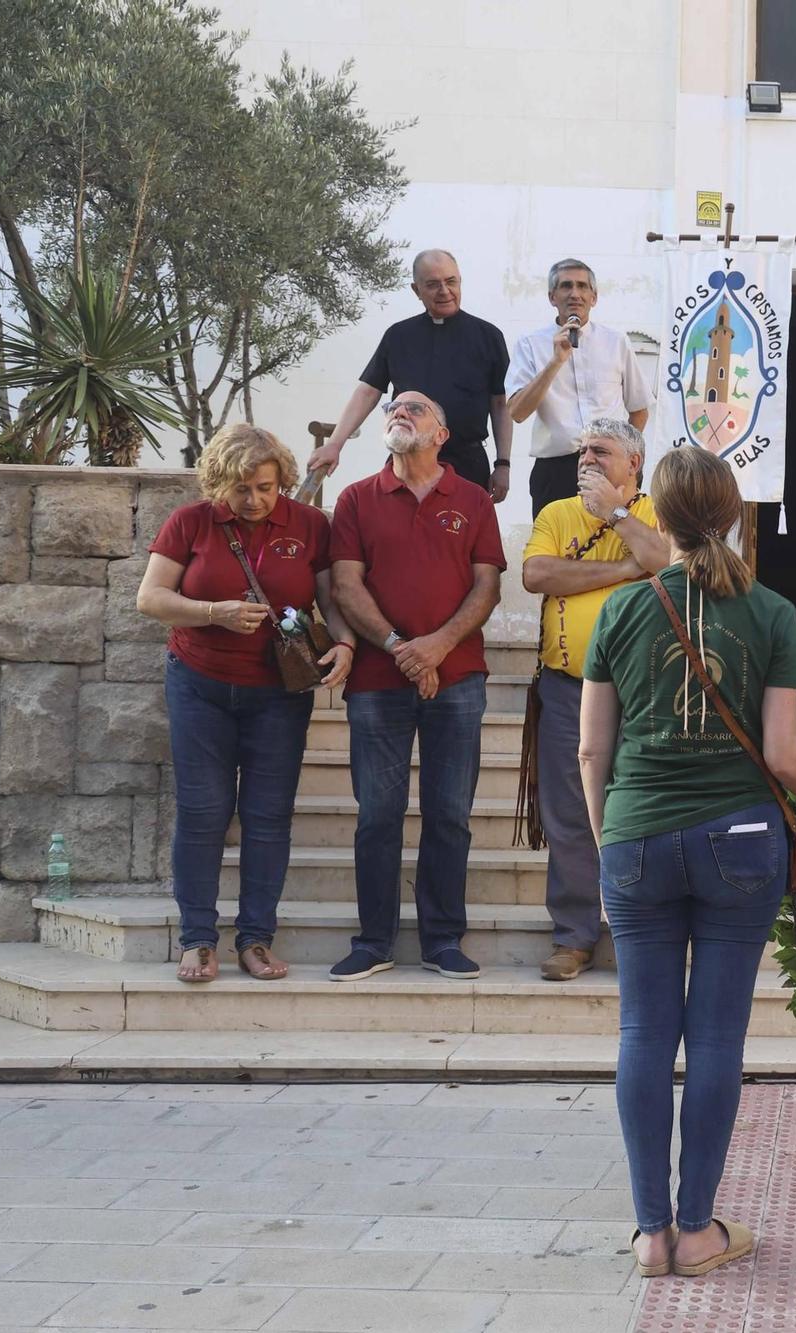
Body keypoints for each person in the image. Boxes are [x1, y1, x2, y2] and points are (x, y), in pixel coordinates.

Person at [582, 445, 796, 1280]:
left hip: (636, 833)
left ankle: (650, 1233)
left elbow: (587, 751)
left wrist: (610, 851)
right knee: (715, 1033)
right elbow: (784, 752)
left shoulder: (622, 610)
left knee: (643, 1029)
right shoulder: (774, 612)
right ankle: (699, 1226)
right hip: (741, 842)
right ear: (736, 512)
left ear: (657, 517)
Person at [138, 425, 355, 984]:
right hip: (199, 684)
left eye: (265, 486)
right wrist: (215, 612)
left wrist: (347, 645)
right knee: (204, 811)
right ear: (219, 483)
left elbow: (330, 599)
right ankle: (198, 940)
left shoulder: (310, 525)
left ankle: (256, 938)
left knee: (267, 816)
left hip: (278, 694)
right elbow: (151, 598)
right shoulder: (191, 522)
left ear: (282, 478)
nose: (255, 499)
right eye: (241, 489)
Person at [327, 390, 506, 982]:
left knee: (449, 813)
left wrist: (438, 646)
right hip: (378, 680)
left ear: (441, 434)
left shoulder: (475, 500)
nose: (398, 411)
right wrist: (402, 648)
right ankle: (373, 940)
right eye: (392, 408)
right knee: (378, 814)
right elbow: (346, 588)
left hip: (457, 678)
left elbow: (486, 589)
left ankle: (443, 939)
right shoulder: (356, 499)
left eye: (416, 408)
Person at [520, 420, 667, 980]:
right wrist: (624, 569)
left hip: (645, 691)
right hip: (566, 690)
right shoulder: (556, 515)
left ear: (634, 463)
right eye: (582, 450)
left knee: (647, 808)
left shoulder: (659, 509)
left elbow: (666, 560)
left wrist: (617, 516)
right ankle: (574, 937)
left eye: (600, 451)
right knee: (569, 815)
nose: (586, 459)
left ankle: (646, 933)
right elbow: (537, 573)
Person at [307, 250, 515, 503]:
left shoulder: (488, 336)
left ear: (460, 281)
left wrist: (503, 464)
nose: (444, 291)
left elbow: (500, 404)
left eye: (451, 282)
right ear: (416, 290)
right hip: (406, 459)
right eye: (432, 284)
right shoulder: (398, 336)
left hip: (467, 463)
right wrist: (335, 444)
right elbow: (368, 392)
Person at [506, 260, 653, 516]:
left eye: (582, 286)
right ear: (552, 296)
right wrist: (555, 361)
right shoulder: (530, 344)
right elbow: (517, 412)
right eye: (566, 286)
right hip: (556, 470)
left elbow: (639, 408)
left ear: (594, 297)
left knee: (615, 544)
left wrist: (626, 458)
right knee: (555, 547)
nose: (575, 293)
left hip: (610, 466)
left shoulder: (616, 342)